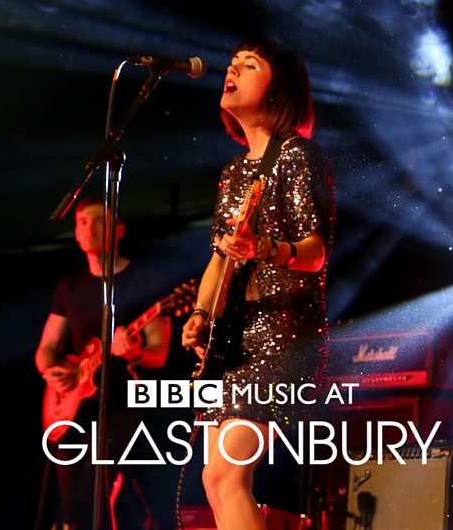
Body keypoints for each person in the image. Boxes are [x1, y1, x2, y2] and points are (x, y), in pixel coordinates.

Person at [181, 39, 334, 530]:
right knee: (215, 479)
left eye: (250, 65)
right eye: (232, 65)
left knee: (227, 476)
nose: (233, 71)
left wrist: (266, 250)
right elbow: (218, 259)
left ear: (279, 87)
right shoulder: (234, 173)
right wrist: (201, 315)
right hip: (234, 340)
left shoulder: (299, 156)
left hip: (285, 336)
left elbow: (315, 254)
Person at [36, 195, 176, 529]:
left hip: (122, 400)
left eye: (100, 220)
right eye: (83, 221)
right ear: (75, 233)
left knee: (95, 487)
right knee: (70, 499)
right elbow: (47, 347)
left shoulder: (145, 281)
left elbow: (159, 353)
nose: (91, 227)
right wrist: (51, 372)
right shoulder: (69, 287)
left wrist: (135, 352)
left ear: (119, 229)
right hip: (73, 402)